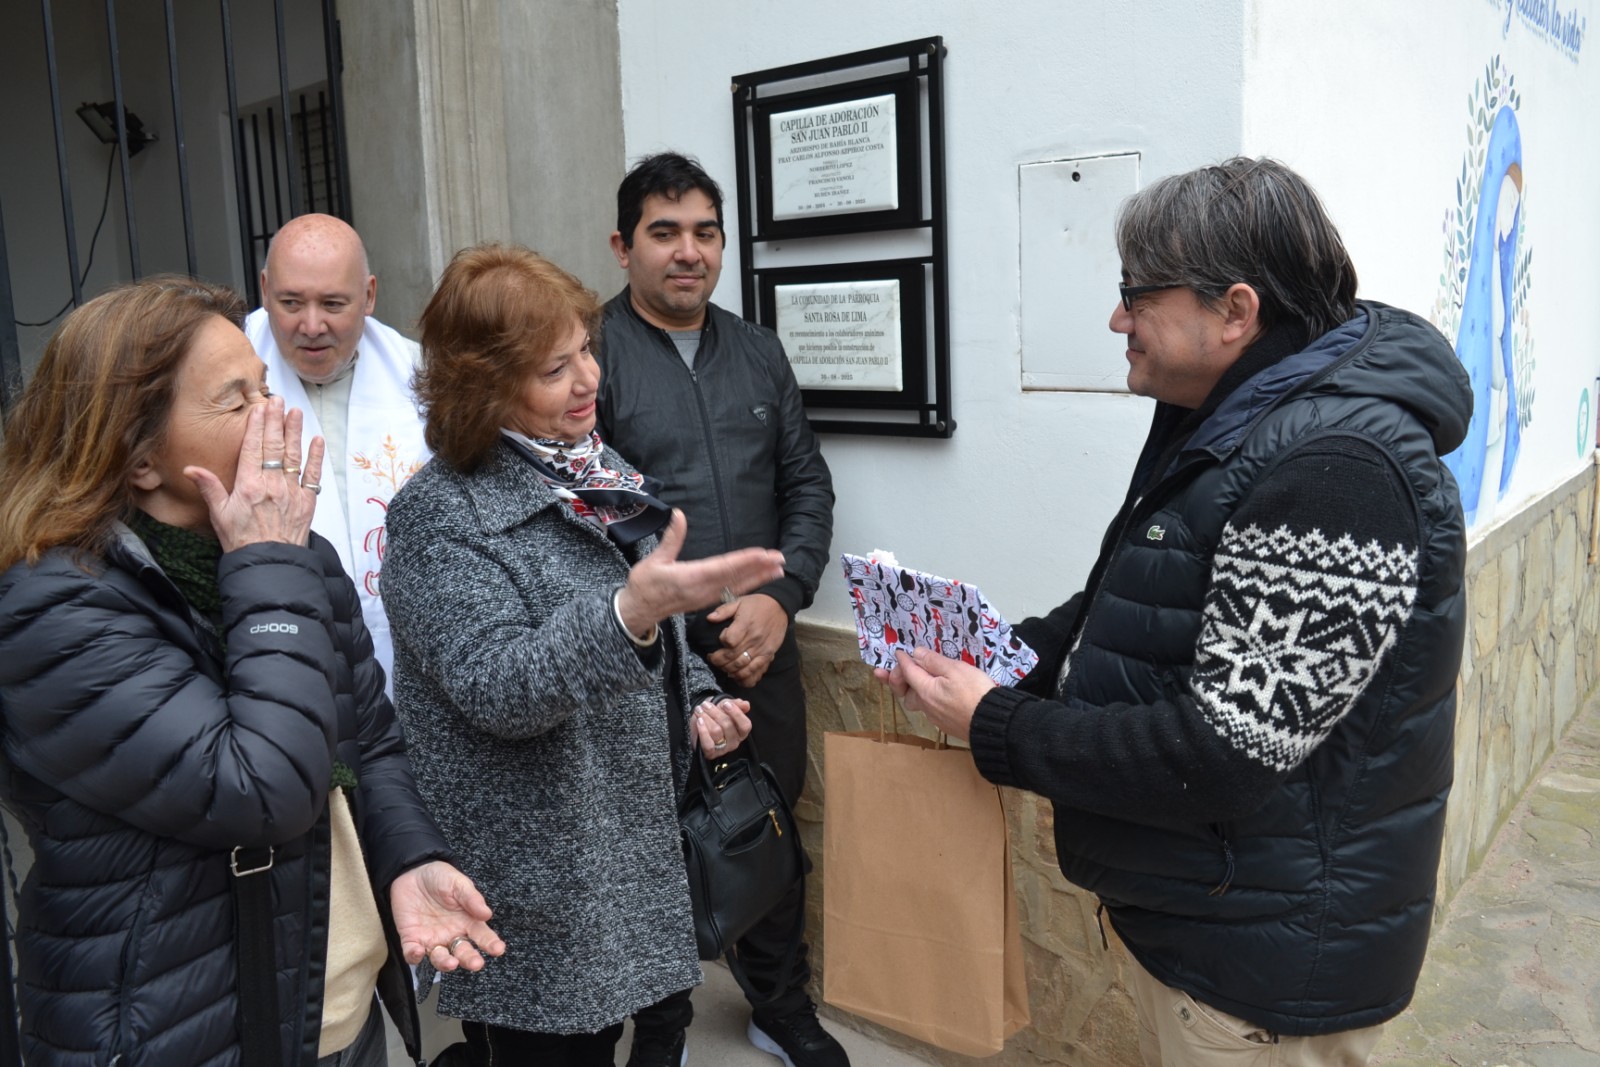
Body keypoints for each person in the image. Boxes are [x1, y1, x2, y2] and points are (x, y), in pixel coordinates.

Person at [878, 158, 1473, 1065]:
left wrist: (996, 722)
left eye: (1135, 296)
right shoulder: (1232, 411)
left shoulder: (1337, 470)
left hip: (1262, 972)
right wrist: (994, 655)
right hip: (1219, 914)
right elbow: (1139, 598)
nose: (1117, 321)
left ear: (1235, 311)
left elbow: (1227, 752)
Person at [0, 277, 504, 1067]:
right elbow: (258, 789)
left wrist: (408, 858)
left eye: (266, 387)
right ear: (139, 456)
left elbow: (369, 740)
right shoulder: (55, 608)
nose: (279, 416)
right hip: (185, 1032)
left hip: (332, 1009)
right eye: (237, 400)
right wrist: (267, 561)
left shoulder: (290, 555)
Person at [381, 244, 786, 1067]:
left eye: (585, 351)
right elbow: (498, 686)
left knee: (629, 1035)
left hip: (623, 841)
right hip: (538, 872)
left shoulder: (597, 471)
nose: (588, 379)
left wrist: (699, 694)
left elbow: (658, 629)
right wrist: (628, 612)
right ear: (484, 387)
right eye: (554, 368)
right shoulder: (439, 516)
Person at [595, 152, 841, 1067]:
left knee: (767, 820)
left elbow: (806, 485)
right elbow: (589, 514)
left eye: (705, 231)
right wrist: (674, 633)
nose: (688, 251)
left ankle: (779, 1002)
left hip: (760, 642)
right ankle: (663, 1025)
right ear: (623, 246)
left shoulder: (757, 350)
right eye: (664, 232)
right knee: (651, 840)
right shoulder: (592, 355)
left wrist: (781, 597)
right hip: (646, 653)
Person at [245, 213, 428, 693]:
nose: (311, 325)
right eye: (290, 303)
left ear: (369, 295)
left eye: (332, 304)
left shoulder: (423, 377)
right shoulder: (229, 374)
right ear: (264, 289)